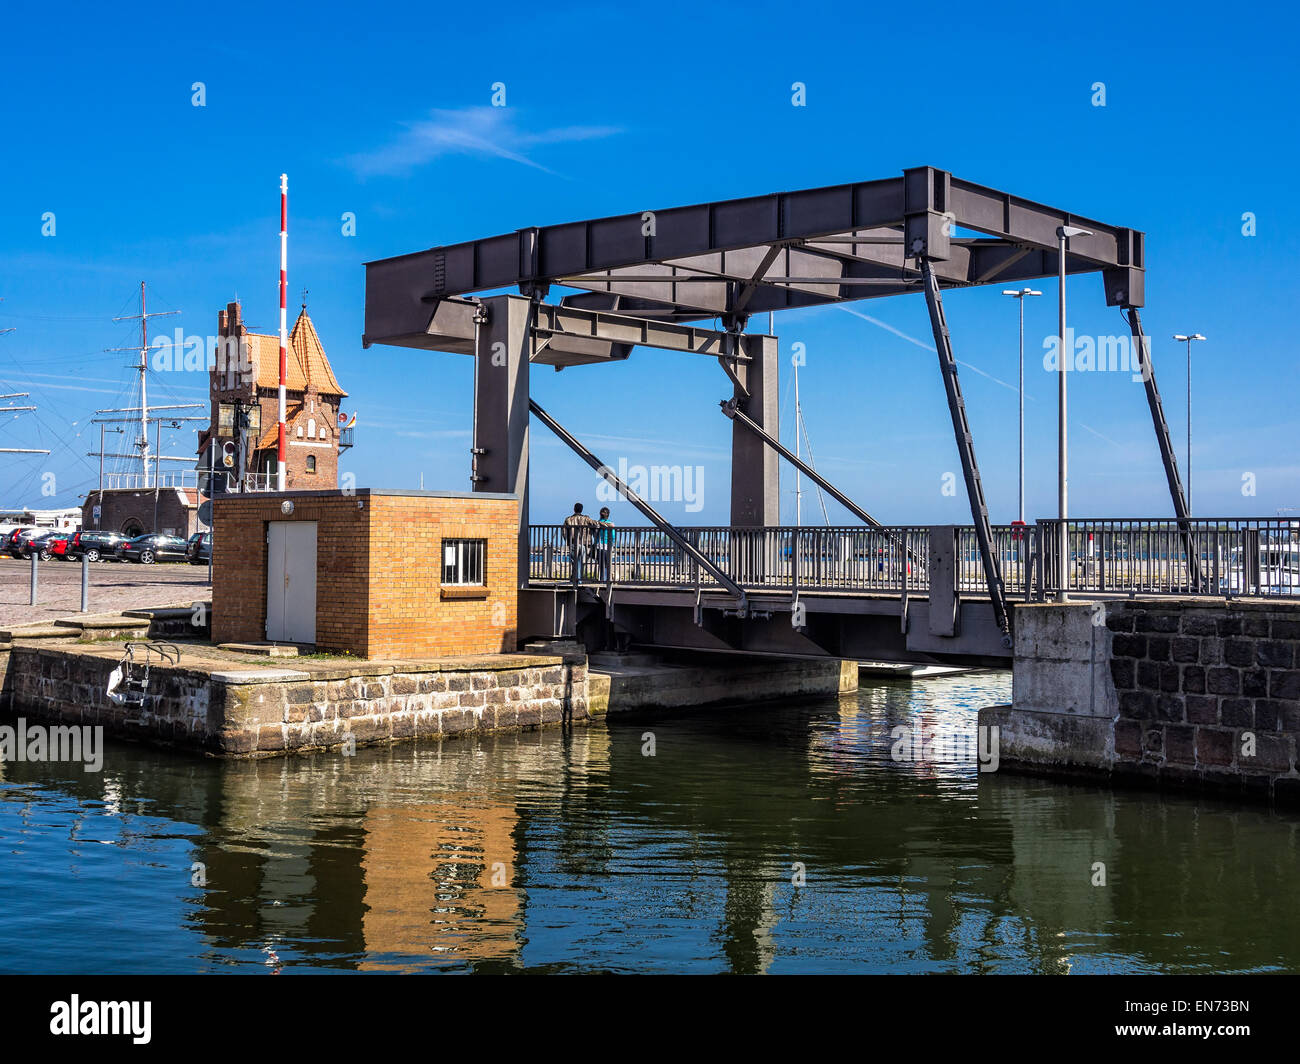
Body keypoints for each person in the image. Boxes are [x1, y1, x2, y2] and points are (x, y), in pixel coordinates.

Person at [562, 502, 598, 586]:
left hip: (573, 543)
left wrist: (568, 541)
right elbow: (595, 524)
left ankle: (575, 579)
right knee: (581, 562)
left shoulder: (568, 519)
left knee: (574, 562)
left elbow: (564, 532)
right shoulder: (587, 519)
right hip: (584, 543)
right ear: (582, 510)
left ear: (574, 509)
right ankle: (578, 579)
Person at [595, 507, 615, 582]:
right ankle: (607, 579)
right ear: (608, 515)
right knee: (607, 564)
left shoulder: (598, 523)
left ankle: (602, 578)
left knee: (601, 564)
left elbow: (595, 534)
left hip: (599, 545)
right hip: (607, 545)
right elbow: (613, 536)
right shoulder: (610, 524)